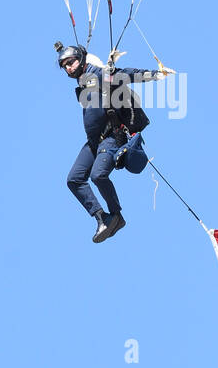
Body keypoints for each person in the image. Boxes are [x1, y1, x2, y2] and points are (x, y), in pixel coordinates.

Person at [56, 42, 167, 243]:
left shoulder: (97, 74)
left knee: (98, 175)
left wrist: (154, 74)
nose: (68, 68)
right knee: (74, 178)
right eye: (64, 66)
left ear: (81, 59)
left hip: (112, 137)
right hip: (93, 143)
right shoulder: (83, 83)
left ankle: (116, 215)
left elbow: (125, 74)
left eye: (70, 62)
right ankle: (102, 218)